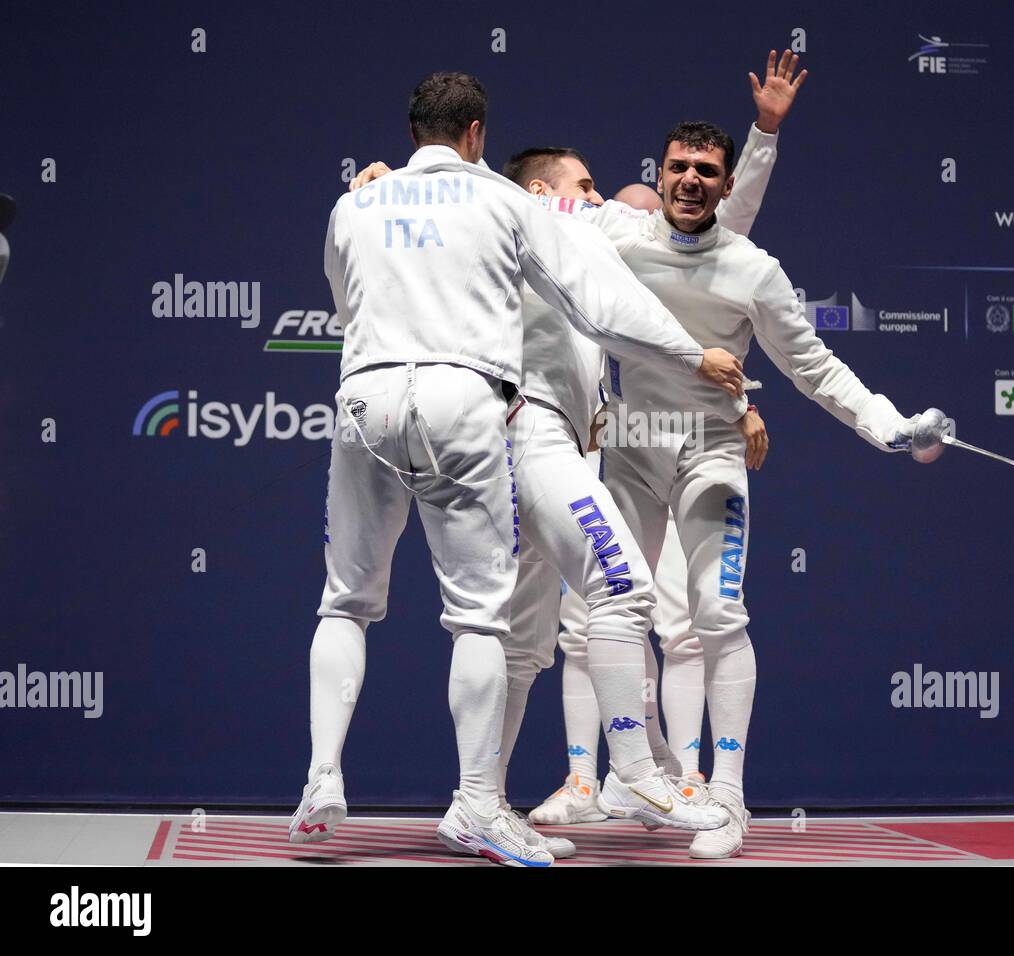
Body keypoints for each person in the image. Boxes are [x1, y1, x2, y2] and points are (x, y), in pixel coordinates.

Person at [289, 71, 745, 868]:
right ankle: (580, 781)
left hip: (363, 398)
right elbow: (602, 300)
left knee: (349, 603)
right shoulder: (515, 203)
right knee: (487, 619)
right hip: (477, 407)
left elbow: (346, 302)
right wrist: (690, 351)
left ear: (413, 131)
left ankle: (323, 779)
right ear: (476, 137)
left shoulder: (355, 201)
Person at [544, 119, 947, 858]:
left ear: (726, 186)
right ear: (659, 176)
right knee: (614, 605)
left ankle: (726, 798)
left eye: (705, 170)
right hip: (632, 451)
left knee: (717, 614)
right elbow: (521, 206)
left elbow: (815, 368)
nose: (690, 179)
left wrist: (888, 425)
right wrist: (399, 178)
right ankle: (630, 776)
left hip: (714, 454)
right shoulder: (616, 235)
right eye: (678, 167)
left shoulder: (753, 268)